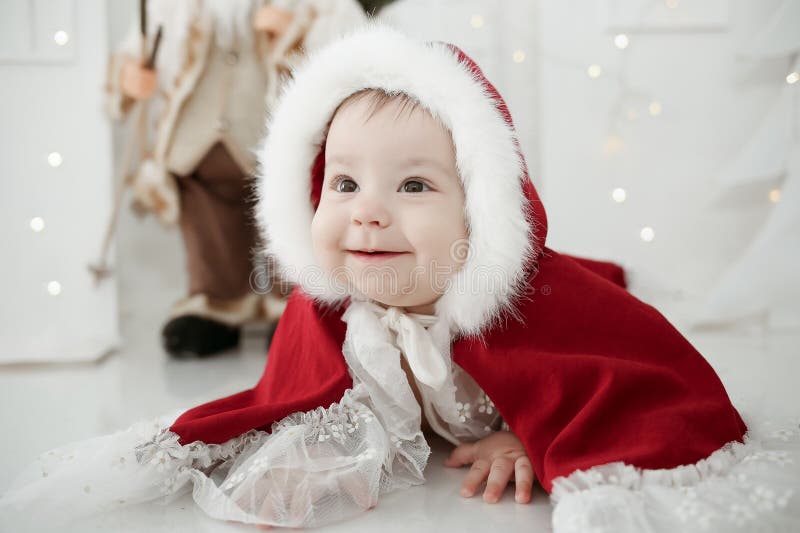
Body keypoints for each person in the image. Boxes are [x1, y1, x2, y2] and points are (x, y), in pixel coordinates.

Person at [3, 25, 798, 532]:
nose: (367, 215)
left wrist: (533, 426)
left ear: (478, 213)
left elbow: (628, 379)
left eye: (413, 186)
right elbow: (296, 396)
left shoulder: (535, 306)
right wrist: (299, 459)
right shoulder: (328, 314)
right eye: (343, 185)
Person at [106, 0, 366, 356]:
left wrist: (297, 30)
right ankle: (218, 300)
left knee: (290, 217)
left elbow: (350, 38)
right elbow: (140, 43)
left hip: (274, 143)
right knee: (206, 219)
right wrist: (129, 75)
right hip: (198, 148)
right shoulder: (172, 7)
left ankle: (291, 302)